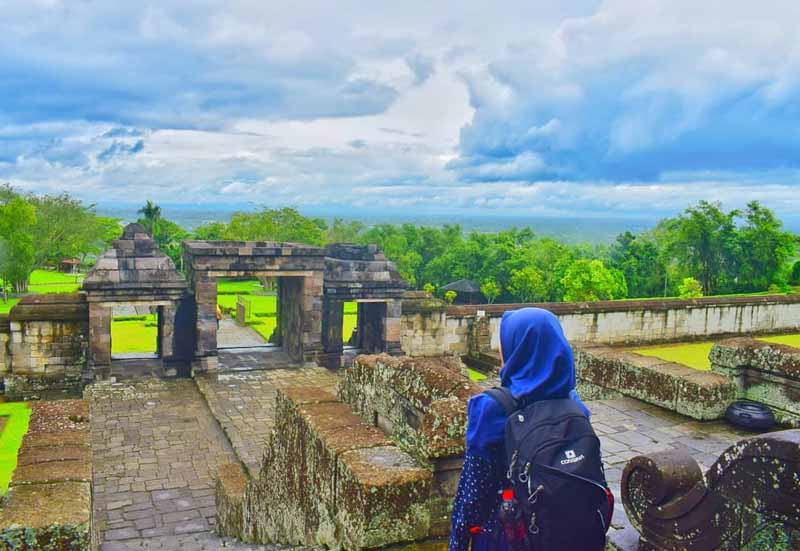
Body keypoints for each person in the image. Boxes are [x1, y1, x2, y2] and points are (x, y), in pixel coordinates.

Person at [449, 307, 592, 551]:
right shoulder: (573, 402)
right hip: (566, 535)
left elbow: (473, 492)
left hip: (509, 535)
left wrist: (458, 542)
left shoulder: (491, 407)